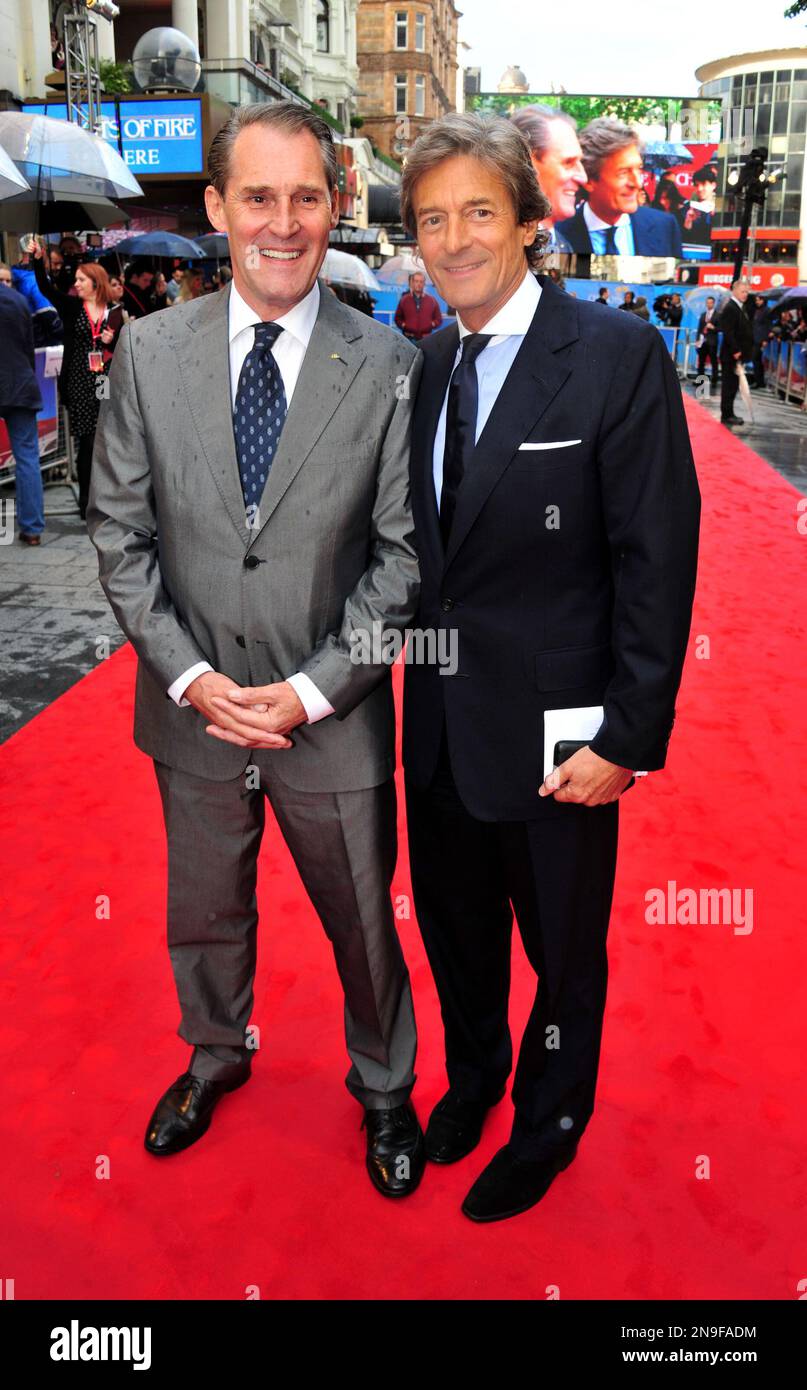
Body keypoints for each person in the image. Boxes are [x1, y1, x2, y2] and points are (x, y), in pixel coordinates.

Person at [87, 101, 426, 1199]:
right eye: (260, 197)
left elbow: (405, 562)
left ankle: (384, 1085)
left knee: (363, 924)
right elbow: (122, 535)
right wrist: (190, 677)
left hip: (332, 719)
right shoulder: (147, 352)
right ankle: (215, 1050)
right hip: (191, 713)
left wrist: (313, 692)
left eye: (306, 197)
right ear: (221, 207)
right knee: (206, 908)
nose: (283, 223)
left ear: (335, 206)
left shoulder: (389, 366)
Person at [399, 112, 701, 1223]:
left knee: (563, 955)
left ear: (527, 220)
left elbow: (656, 555)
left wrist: (627, 736)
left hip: (561, 736)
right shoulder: (430, 362)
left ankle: (551, 1120)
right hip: (434, 727)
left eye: (479, 211)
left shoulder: (615, 354)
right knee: (456, 934)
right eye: (433, 219)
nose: (456, 238)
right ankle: (475, 1077)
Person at [32, 244, 124, 518]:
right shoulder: (73, 308)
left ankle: (108, 497)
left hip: (106, 382)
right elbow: (47, 290)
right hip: (80, 382)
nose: (76, 284)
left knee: (106, 441)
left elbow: (122, 348)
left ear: (96, 283)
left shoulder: (114, 311)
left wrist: (113, 339)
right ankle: (87, 502)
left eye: (82, 279)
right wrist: (38, 261)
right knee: (88, 441)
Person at [555, 118, 683, 258]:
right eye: (623, 172)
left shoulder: (664, 226)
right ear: (590, 180)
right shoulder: (557, 234)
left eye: (639, 169)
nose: (637, 183)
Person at [0, 270, 46, 544]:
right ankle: (32, 530)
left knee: (26, 457)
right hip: (20, 383)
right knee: (27, 458)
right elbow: (30, 345)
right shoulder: (18, 301)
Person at [509, 106, 586, 254]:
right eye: (568, 163)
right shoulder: (495, 247)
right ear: (528, 164)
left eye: (580, 162)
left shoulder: (565, 245)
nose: (583, 177)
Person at [717, 279, 753, 427]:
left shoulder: (739, 307)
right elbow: (728, 332)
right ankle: (726, 415)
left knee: (732, 385)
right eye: (743, 291)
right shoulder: (731, 307)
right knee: (729, 385)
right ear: (735, 290)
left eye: (747, 292)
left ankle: (729, 413)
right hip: (731, 354)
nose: (746, 295)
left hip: (735, 354)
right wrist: (736, 350)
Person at [394, 270, 442, 342]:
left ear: (424, 284)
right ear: (412, 283)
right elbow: (398, 318)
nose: (418, 284)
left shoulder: (432, 300)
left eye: (421, 282)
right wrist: (404, 325)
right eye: (416, 281)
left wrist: (431, 325)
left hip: (426, 339)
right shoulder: (404, 300)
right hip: (409, 338)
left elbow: (438, 319)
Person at [696, 295, 719, 390]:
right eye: (707, 302)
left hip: (712, 342)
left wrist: (713, 327)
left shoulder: (718, 315)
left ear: (713, 304)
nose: (709, 304)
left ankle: (714, 381)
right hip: (703, 341)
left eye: (710, 302)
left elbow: (721, 328)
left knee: (714, 362)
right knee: (701, 362)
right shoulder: (703, 315)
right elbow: (699, 328)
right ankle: (701, 380)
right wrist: (697, 339)